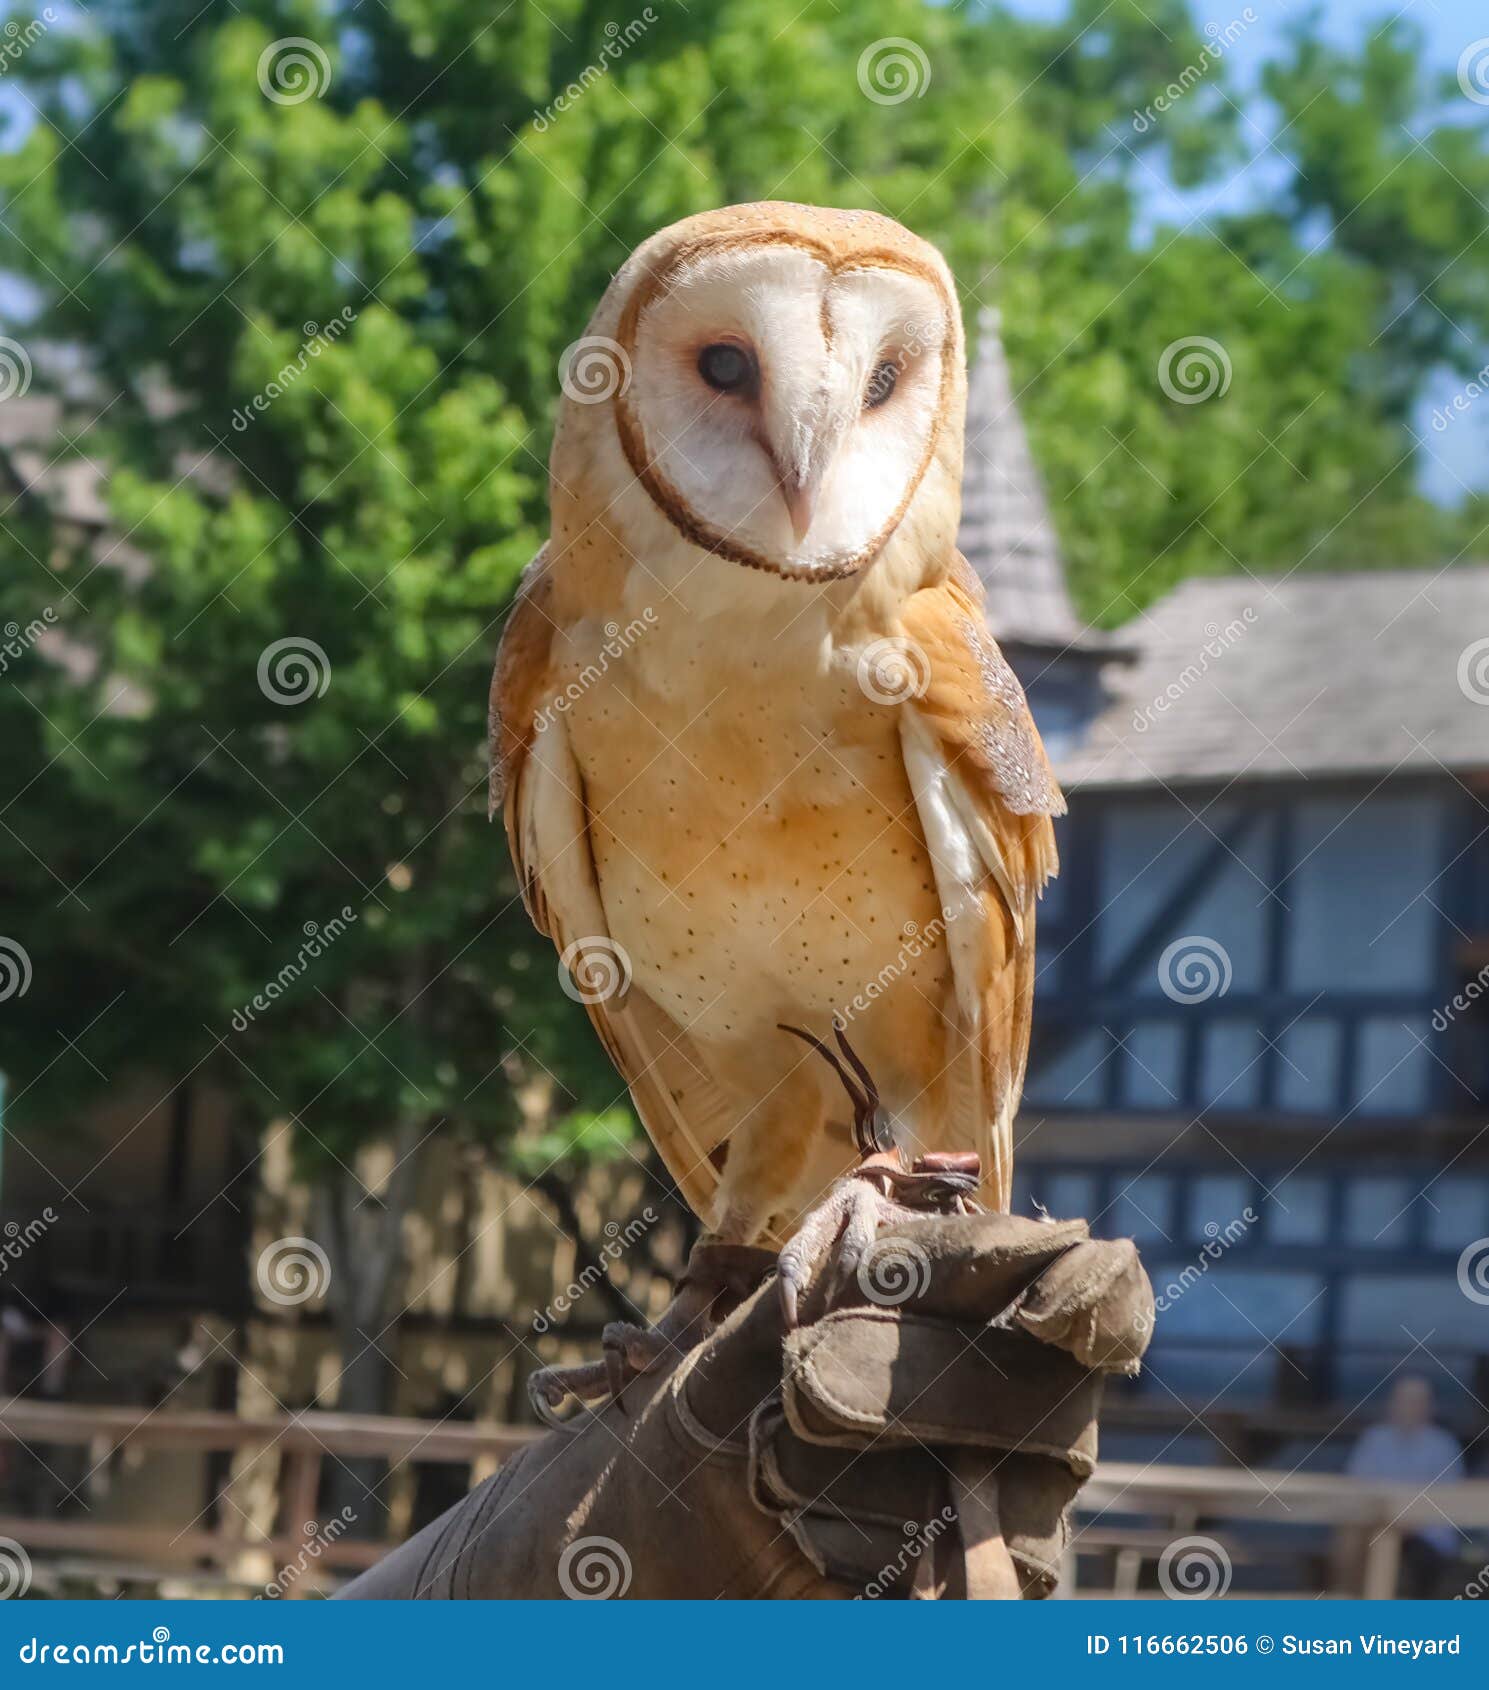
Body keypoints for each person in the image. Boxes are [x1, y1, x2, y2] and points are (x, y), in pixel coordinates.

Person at [1347, 1375, 1466, 1598]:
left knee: (1411, 1561)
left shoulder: (1444, 1445)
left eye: (1417, 1400)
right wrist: (1388, 1521)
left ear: (1430, 1406)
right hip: (1375, 1526)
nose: (1410, 1407)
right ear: (1392, 1403)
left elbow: (1449, 1503)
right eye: (1404, 1399)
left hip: (1427, 1534)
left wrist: (1407, 1522)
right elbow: (1357, 1488)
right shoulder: (1374, 1439)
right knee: (1350, 1542)